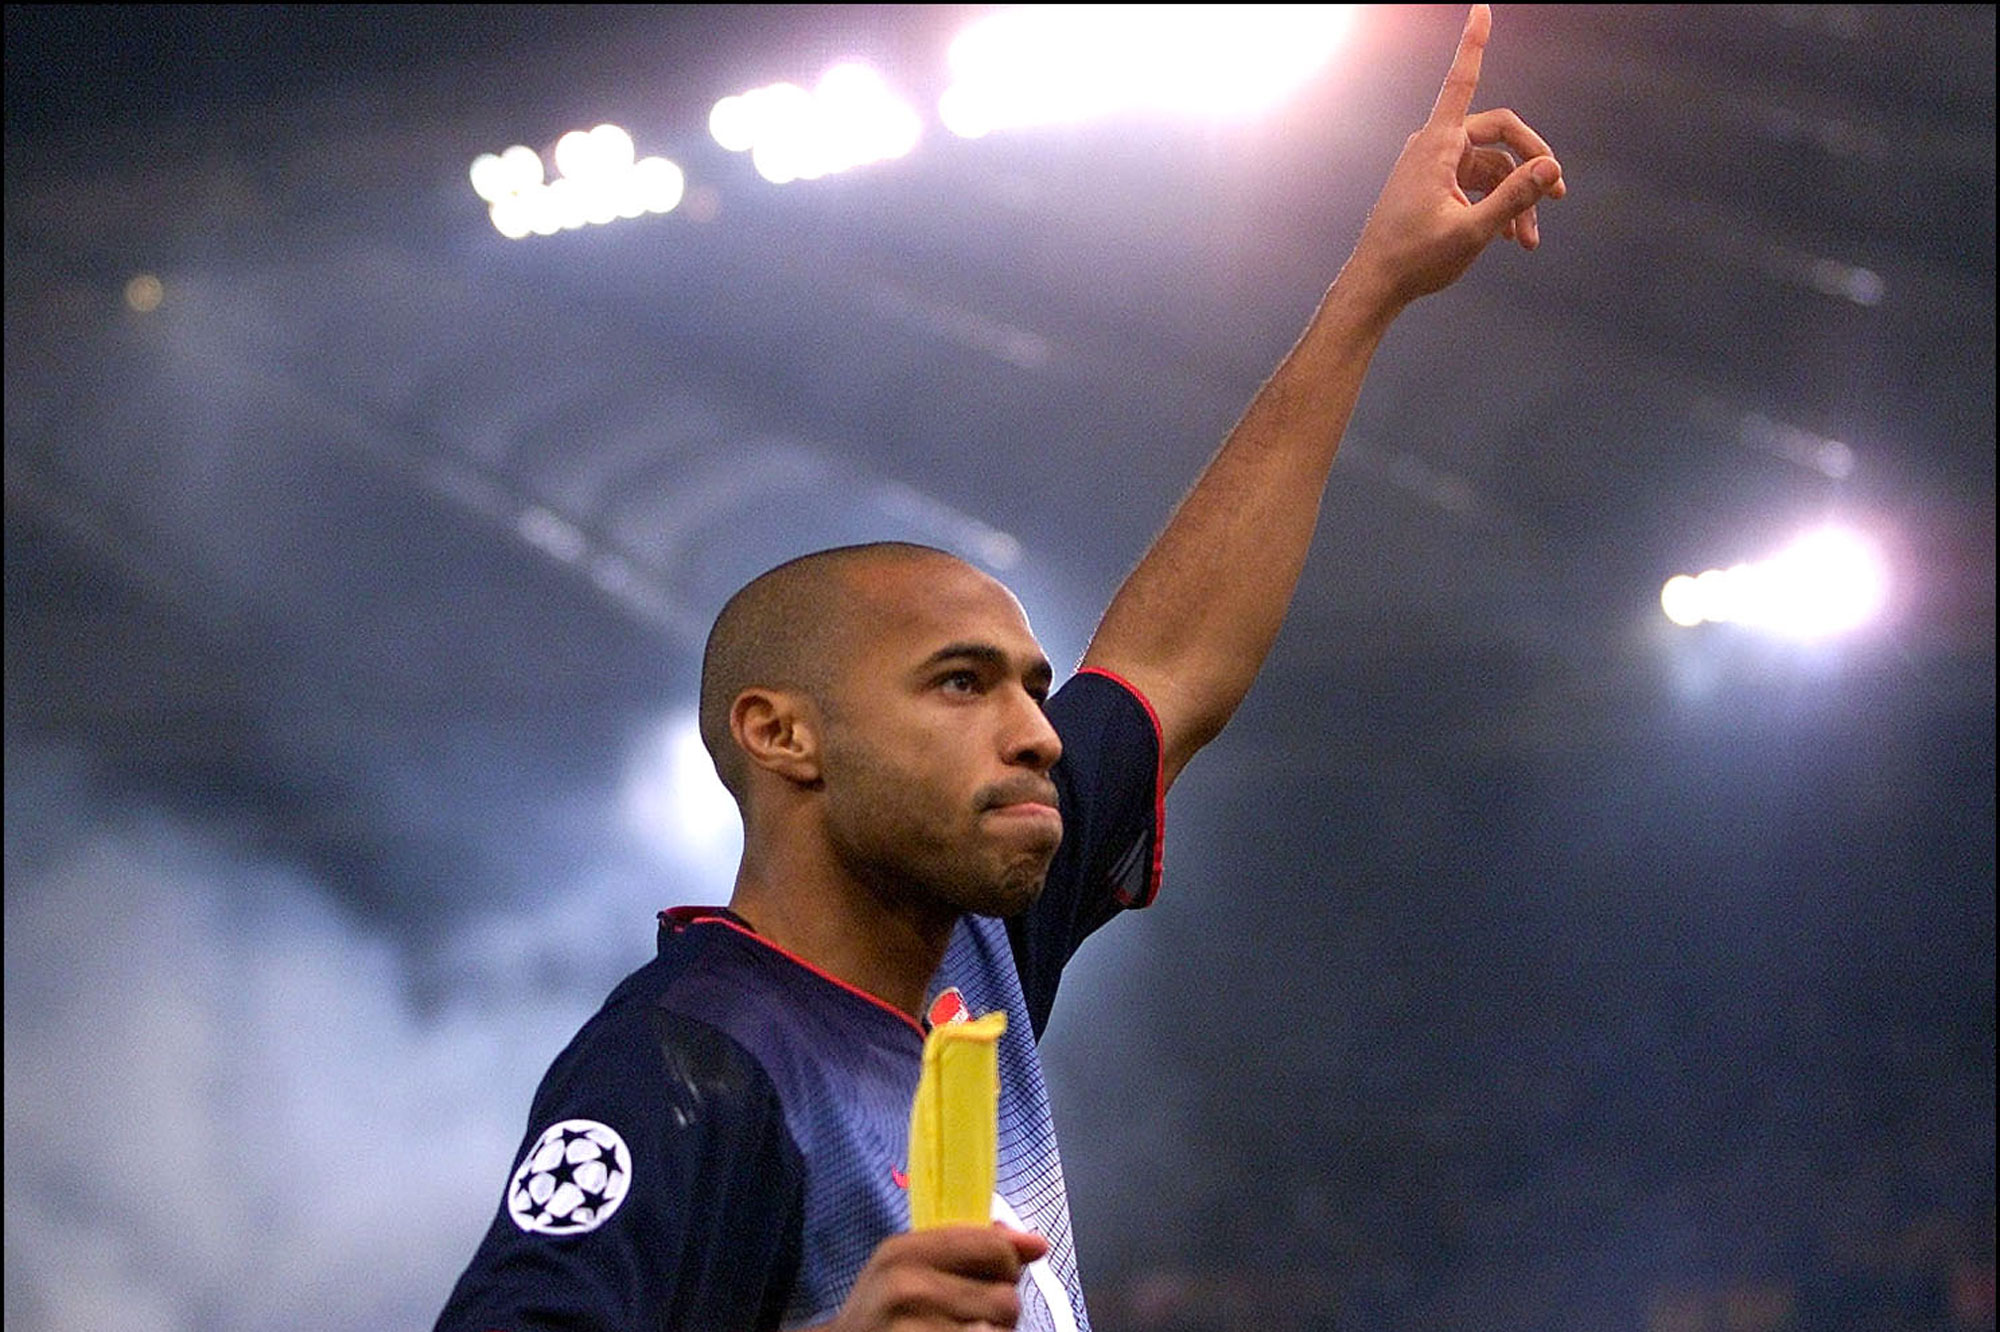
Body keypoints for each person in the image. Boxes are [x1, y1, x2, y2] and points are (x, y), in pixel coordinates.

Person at [435, 6, 1565, 1329]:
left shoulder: (974, 945)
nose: (1036, 730)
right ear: (782, 734)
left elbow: (1169, 663)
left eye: (1030, 684)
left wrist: (1371, 290)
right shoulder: (686, 1065)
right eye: (962, 684)